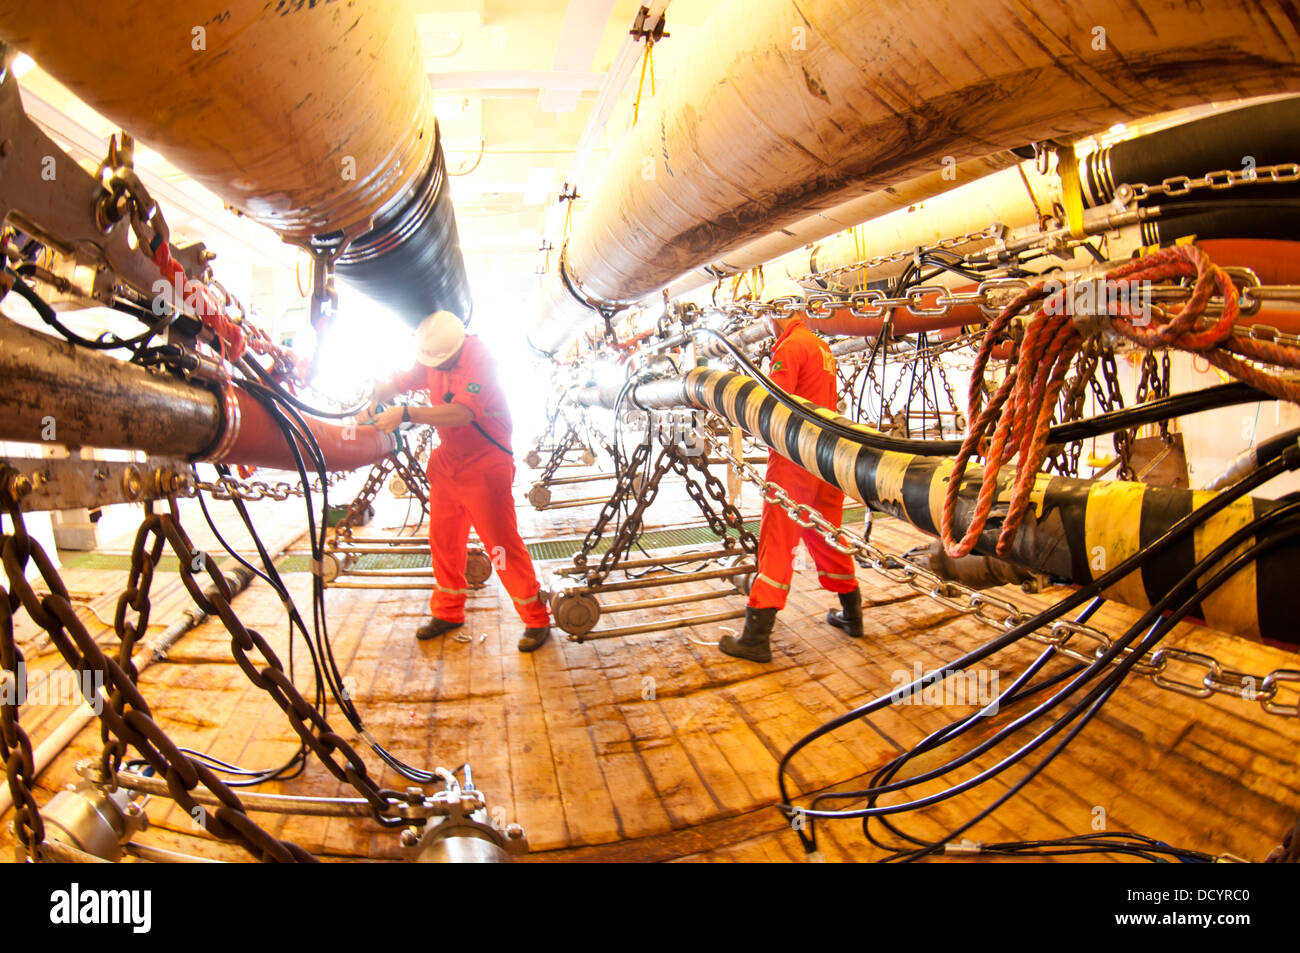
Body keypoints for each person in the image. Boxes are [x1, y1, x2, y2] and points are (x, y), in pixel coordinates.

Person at [365, 310, 552, 652]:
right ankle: (449, 611)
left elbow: (464, 412)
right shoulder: (434, 356)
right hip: (449, 462)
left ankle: (535, 617)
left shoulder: (479, 357)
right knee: (444, 542)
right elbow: (404, 379)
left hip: (485, 464)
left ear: (456, 348)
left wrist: (408, 413)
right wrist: (376, 392)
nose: (435, 367)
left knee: (499, 547)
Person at [719, 282, 864, 663]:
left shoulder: (789, 348)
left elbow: (776, 406)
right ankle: (852, 615)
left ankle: (756, 636)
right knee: (826, 534)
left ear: (779, 310)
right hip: (825, 458)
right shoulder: (820, 345)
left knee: (778, 542)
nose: (766, 324)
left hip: (794, 458)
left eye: (768, 315)